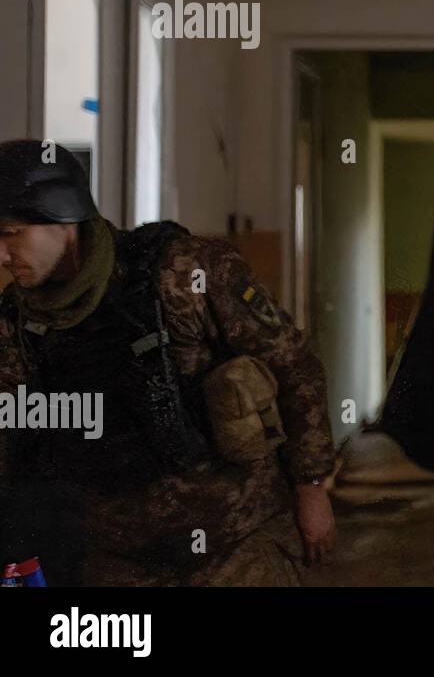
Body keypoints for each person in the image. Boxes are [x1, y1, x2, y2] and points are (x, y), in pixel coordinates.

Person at [0, 140, 336, 585]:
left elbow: (293, 365)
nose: (2, 257)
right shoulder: (16, 320)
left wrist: (310, 486)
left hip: (235, 540)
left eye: (10, 234)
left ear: (64, 219)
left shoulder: (182, 273)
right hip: (114, 553)